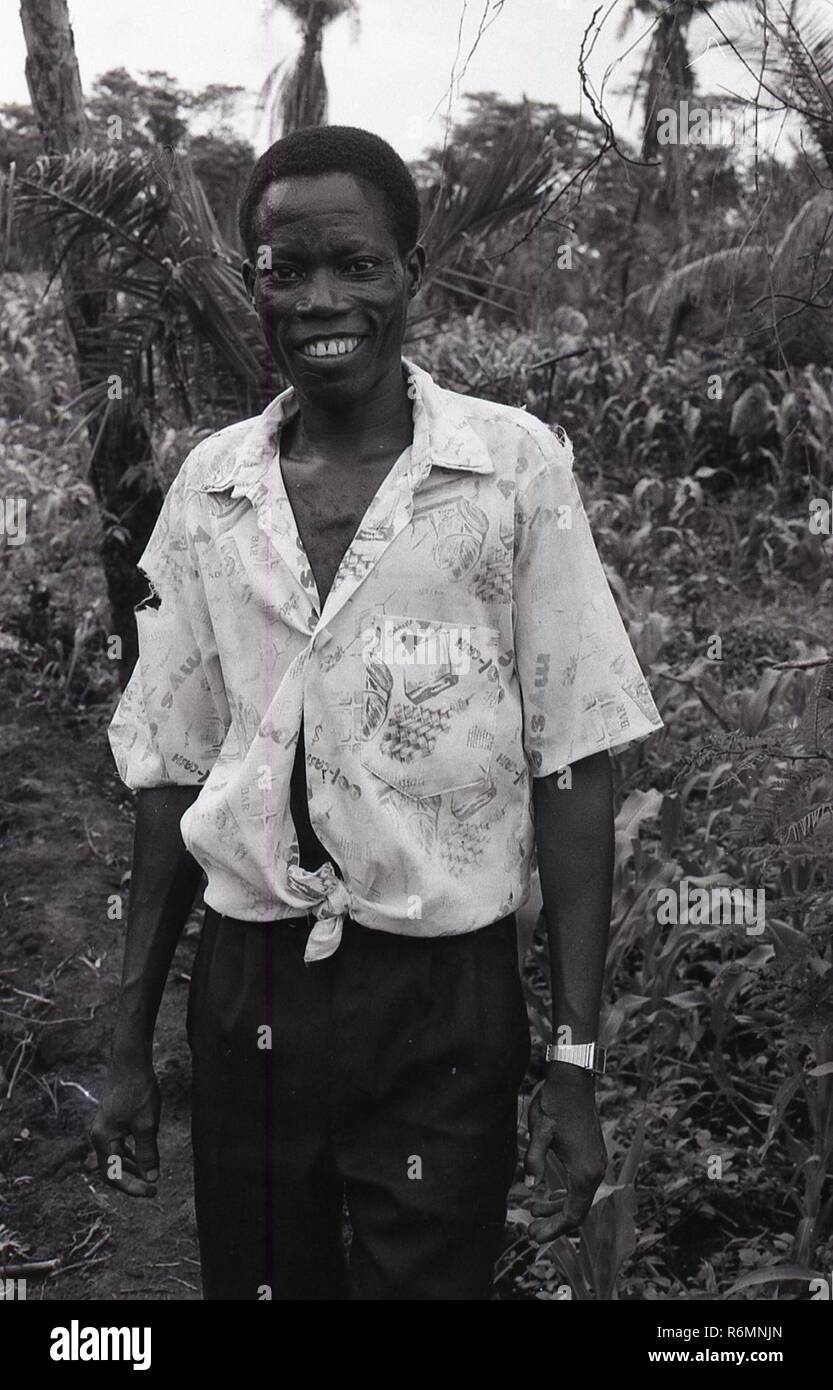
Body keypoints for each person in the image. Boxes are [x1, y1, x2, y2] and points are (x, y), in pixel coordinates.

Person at [92, 125, 663, 1301]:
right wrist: (128, 1035)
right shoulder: (211, 488)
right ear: (252, 280)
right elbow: (169, 765)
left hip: (441, 994)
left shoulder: (509, 469)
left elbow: (572, 758)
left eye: (353, 264)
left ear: (409, 268)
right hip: (250, 982)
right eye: (286, 269)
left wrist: (572, 1059)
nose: (320, 300)